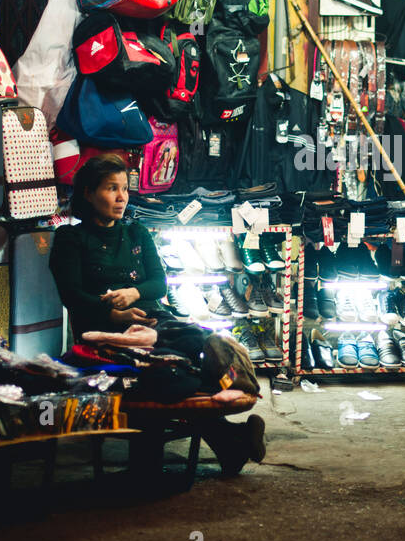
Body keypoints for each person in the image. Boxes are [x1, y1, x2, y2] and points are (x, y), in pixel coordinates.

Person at [50, 154, 264, 474]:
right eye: (111, 188)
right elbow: (72, 296)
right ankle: (227, 441)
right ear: (88, 193)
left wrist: (135, 293)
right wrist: (114, 314)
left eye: (124, 188)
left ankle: (228, 438)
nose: (121, 197)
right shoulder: (70, 239)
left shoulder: (137, 233)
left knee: (195, 344)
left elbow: (159, 284)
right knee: (162, 367)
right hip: (102, 330)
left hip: (154, 320)